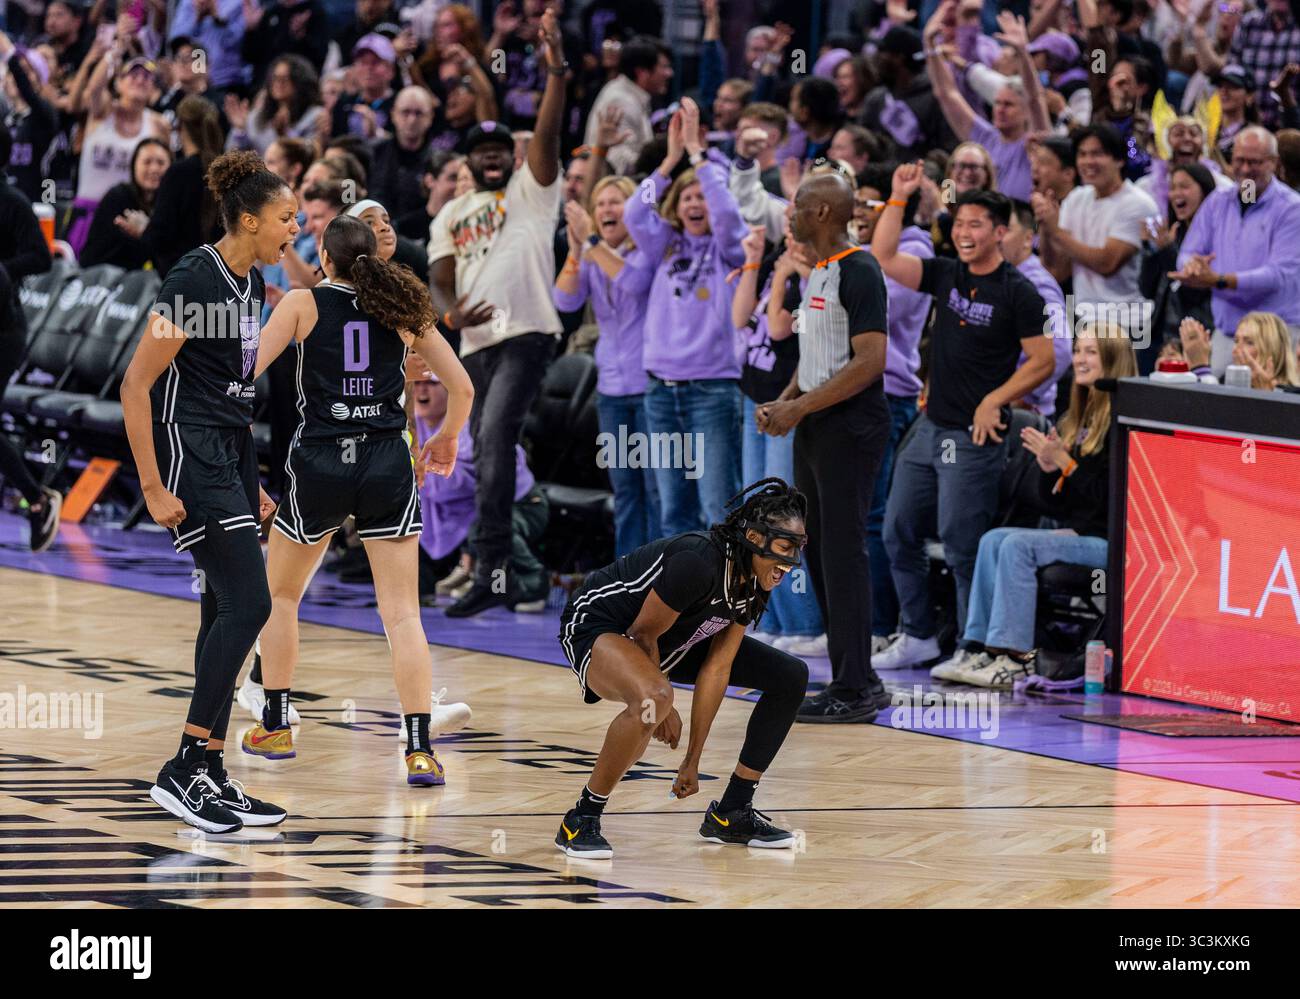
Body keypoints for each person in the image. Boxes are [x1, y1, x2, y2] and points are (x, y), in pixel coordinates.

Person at [241, 215, 474, 782]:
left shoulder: (300, 304)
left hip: (320, 459)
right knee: (401, 614)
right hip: (384, 464)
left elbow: (243, 374)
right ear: (375, 257)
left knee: (282, 596)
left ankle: (275, 724)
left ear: (323, 256)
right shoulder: (402, 309)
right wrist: (446, 439)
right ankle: (419, 748)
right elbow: (463, 387)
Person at [119, 151, 299, 833]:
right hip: (186, 451)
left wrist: (253, 480)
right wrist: (151, 484)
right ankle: (185, 763)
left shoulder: (252, 288)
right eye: (285, 218)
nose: (295, 228)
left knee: (223, 606)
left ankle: (210, 768)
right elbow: (136, 385)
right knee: (251, 600)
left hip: (226, 453)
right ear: (249, 219)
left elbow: (237, 399)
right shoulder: (196, 275)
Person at [554, 478, 809, 859]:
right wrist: (663, 704)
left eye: (797, 551)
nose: (790, 563)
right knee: (652, 700)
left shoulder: (756, 579)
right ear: (754, 536)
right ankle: (581, 818)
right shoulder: (699, 561)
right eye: (785, 548)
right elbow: (642, 633)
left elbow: (717, 669)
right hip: (602, 626)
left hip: (670, 640)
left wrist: (692, 760)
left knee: (790, 676)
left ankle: (732, 812)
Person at [871, 166, 1055, 676]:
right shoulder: (947, 273)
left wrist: (995, 399)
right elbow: (885, 257)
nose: (964, 233)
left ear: (1000, 232)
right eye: (959, 223)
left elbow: (1044, 361)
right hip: (932, 426)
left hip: (974, 436)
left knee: (961, 543)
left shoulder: (1019, 292)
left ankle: (975, 644)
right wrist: (897, 195)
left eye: (976, 225)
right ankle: (918, 634)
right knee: (897, 529)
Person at [427, 7, 567, 617]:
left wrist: (556, 73)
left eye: (498, 148)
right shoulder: (450, 214)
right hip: (475, 343)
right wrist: (450, 314)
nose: (490, 156)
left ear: (511, 157)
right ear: (466, 163)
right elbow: (437, 275)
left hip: (528, 334)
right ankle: (493, 569)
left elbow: (547, 133)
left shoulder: (532, 193)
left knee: (493, 435)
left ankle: (495, 567)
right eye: (478, 151)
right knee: (483, 447)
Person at [750, 172, 889, 722]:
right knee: (822, 551)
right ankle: (848, 678)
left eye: (800, 205)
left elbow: (869, 361)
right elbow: (818, 357)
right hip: (816, 423)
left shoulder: (860, 269)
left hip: (849, 426)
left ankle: (858, 685)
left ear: (826, 212)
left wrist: (799, 408)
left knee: (844, 551)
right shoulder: (820, 272)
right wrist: (784, 400)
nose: (792, 213)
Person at [939, 325, 1138, 688]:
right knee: (994, 539)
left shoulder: (1124, 424)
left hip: (1113, 545)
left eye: (1092, 352)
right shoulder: (1078, 418)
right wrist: (1050, 470)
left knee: (1017, 545)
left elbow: (1111, 500)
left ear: (1112, 359)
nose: (1080, 358)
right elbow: (1058, 504)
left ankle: (1013, 658)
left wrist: (1066, 464)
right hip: (1079, 533)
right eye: (1078, 350)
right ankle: (977, 647)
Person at [624, 98, 748, 538]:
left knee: (720, 506)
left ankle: (728, 602)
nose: (698, 204)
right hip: (660, 391)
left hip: (713, 390)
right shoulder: (664, 244)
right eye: (689, 196)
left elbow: (730, 215)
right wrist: (671, 159)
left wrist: (699, 156)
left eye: (704, 197)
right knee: (673, 508)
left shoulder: (730, 248)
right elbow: (633, 211)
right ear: (677, 204)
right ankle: (678, 602)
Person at [552, 175, 659, 556]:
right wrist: (576, 249)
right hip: (612, 389)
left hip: (650, 388)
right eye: (600, 205)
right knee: (625, 488)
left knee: (654, 486)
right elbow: (564, 301)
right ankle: (629, 576)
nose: (606, 210)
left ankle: (663, 579)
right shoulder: (593, 255)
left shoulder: (647, 250)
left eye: (615, 202)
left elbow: (633, 283)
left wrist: (592, 244)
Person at [731, 225, 826, 655]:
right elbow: (738, 317)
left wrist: (789, 272)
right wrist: (757, 262)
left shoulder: (813, 276)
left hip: (785, 406)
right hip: (754, 398)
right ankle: (773, 615)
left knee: (784, 517)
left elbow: (778, 328)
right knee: (758, 514)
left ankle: (806, 623)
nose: (790, 237)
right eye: (787, 228)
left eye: (798, 227)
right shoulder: (777, 266)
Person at [1172, 125, 1300, 376]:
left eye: (1254, 162)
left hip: (1277, 336)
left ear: (1273, 163)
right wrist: (1192, 267)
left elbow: (1279, 275)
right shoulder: (1218, 202)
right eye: (1239, 160)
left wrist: (1218, 280)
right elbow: (1187, 253)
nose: (1244, 169)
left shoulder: (1291, 209)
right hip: (1228, 333)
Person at [1034, 123, 1158, 334]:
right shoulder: (1076, 198)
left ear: (1119, 159)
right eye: (1082, 154)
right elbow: (1056, 270)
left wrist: (1056, 232)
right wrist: (1045, 226)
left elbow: (1107, 263)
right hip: (1083, 318)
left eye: (1097, 154)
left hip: (1126, 322)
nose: (1088, 162)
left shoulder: (1138, 204)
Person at [0, 126, 56, 551]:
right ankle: (36, 500)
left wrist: (2, 269)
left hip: (4, 326)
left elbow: (41, 257)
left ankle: (38, 499)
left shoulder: (13, 201)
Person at [925, 7, 1048, 203]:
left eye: (1008, 105)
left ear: (1025, 113)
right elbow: (947, 95)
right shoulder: (985, 138)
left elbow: (1034, 99)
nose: (999, 109)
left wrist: (1022, 53)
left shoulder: (1035, 144)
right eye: (997, 103)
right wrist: (930, 46)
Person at [115, 94, 224, 277]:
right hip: (221, 277)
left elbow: (160, 238)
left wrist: (143, 228)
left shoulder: (178, 173)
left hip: (183, 278)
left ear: (181, 129)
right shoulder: (226, 170)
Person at [1138, 161, 1216, 372]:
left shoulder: (1216, 238)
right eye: (1172, 187)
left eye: (1184, 187)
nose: (1176, 194)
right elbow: (1146, 289)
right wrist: (1151, 250)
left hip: (1196, 335)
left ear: (1205, 190)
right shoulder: (1172, 232)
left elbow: (1193, 292)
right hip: (1160, 336)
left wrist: (1167, 251)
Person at [583, 35, 672, 175]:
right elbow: (619, 163)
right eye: (664, 67)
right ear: (642, 72)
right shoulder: (621, 101)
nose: (669, 73)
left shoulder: (631, 95)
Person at [80, 137, 172, 270]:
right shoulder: (119, 196)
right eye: (147, 162)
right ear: (134, 166)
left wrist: (146, 231)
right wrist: (148, 233)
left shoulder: (170, 203)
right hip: (103, 275)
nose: (154, 169)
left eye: (161, 163)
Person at [224, 54, 324, 155]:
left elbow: (311, 155)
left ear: (301, 82)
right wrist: (240, 130)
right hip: (259, 170)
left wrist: (285, 135)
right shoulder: (257, 116)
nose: (278, 83)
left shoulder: (315, 116)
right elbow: (231, 156)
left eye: (285, 78)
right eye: (275, 78)